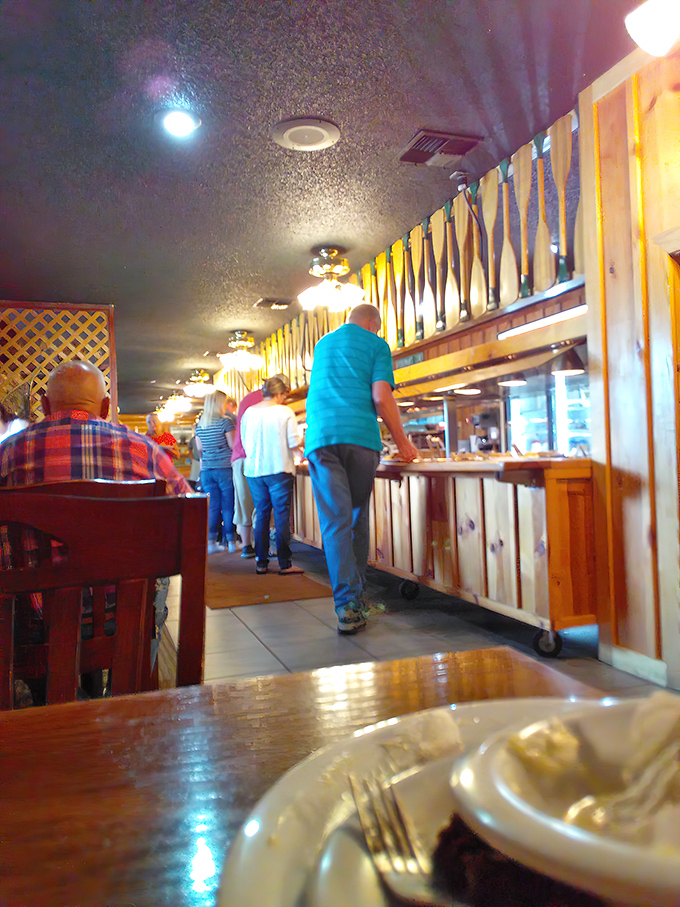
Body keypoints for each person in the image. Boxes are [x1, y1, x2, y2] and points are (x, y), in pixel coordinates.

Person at [0, 359, 192, 701]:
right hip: (122, 614)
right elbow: (186, 515)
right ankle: (129, 688)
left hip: (36, 622)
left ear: (44, 406)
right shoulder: (142, 449)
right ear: (105, 407)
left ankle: (51, 702)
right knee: (153, 580)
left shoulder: (7, 454)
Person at [305, 303, 418, 634]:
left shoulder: (323, 344)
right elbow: (382, 397)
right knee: (356, 517)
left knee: (335, 522)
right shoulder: (376, 344)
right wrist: (404, 442)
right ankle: (358, 596)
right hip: (361, 439)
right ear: (373, 323)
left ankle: (349, 605)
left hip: (322, 438)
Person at [240, 376, 303, 575]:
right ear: (279, 393)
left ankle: (261, 562)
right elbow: (293, 443)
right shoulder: (284, 412)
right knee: (282, 516)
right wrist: (303, 440)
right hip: (278, 469)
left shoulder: (249, 413)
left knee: (262, 515)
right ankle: (285, 564)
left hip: (254, 471)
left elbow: (243, 440)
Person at [231, 373, 289, 559]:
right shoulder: (273, 405)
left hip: (240, 457)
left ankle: (249, 549)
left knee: (244, 506)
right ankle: (270, 552)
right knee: (264, 509)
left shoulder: (248, 400)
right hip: (263, 462)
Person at [195, 390, 237, 554]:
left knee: (213, 507)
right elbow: (233, 446)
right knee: (227, 506)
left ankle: (211, 542)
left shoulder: (201, 425)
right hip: (224, 468)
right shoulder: (225, 423)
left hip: (207, 470)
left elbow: (200, 450)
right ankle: (231, 542)